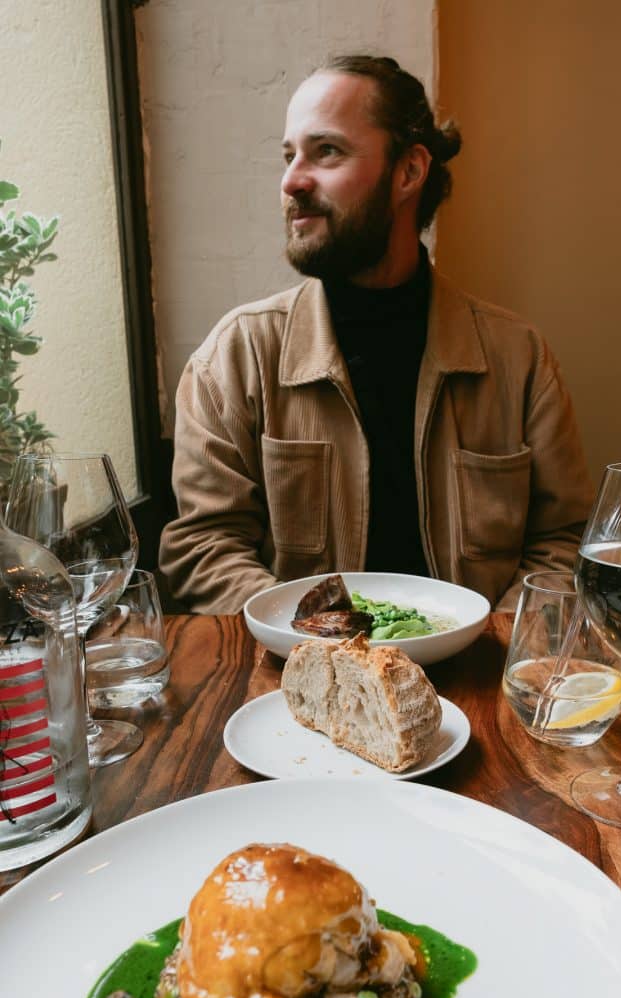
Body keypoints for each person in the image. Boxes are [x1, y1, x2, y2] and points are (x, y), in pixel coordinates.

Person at [159, 54, 593, 614]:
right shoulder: (236, 356)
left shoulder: (518, 359)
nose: (292, 180)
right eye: (289, 156)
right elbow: (204, 547)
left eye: (327, 151)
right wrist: (326, 645)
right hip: (303, 685)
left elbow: (565, 542)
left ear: (408, 172)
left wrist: (493, 642)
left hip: (481, 677)